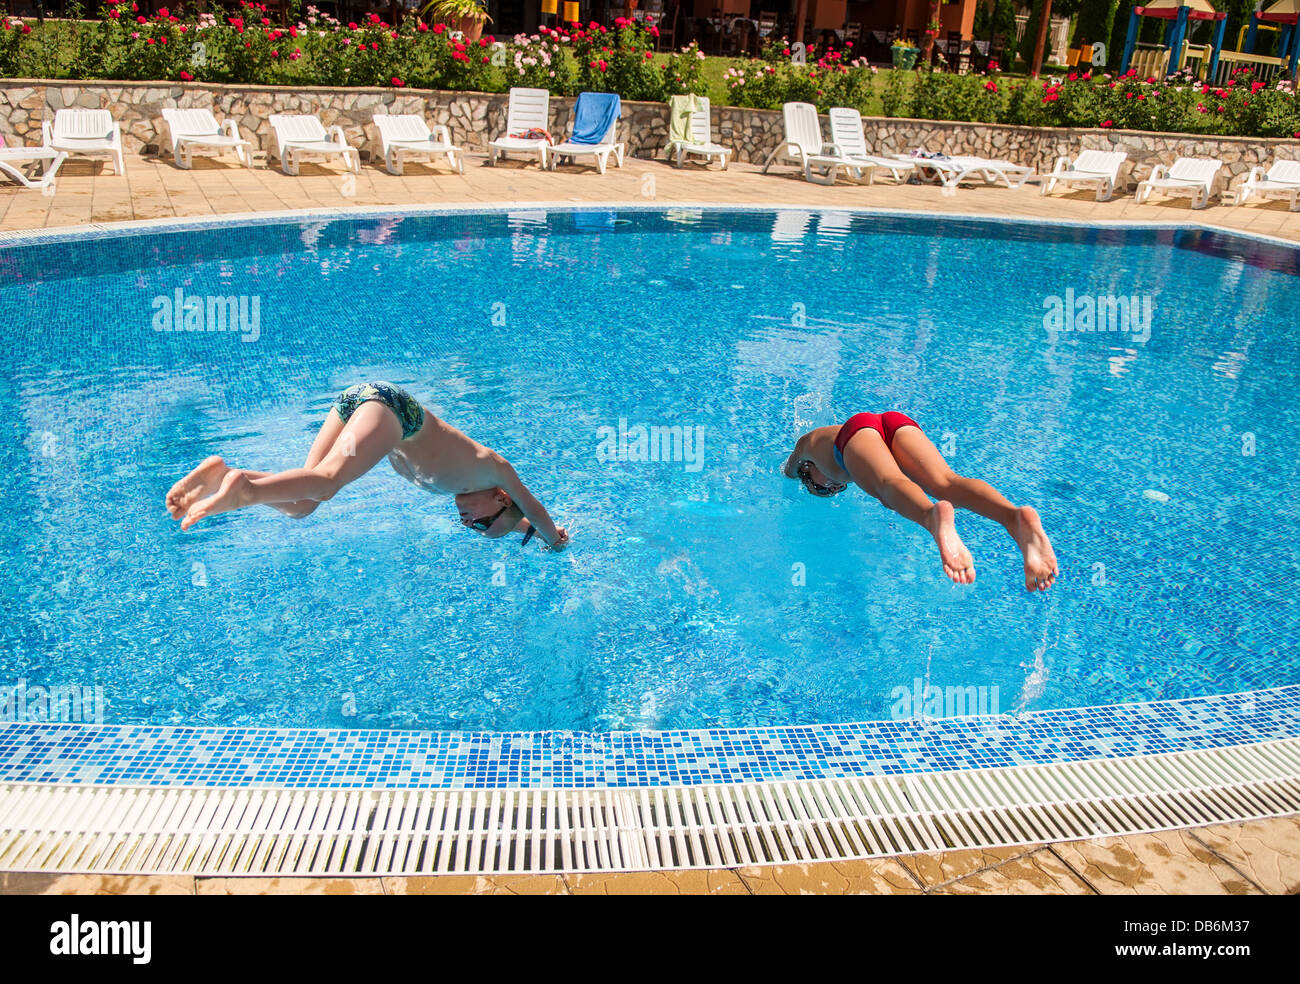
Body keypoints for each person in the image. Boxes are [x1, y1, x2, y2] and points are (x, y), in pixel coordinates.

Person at [166, 381, 569, 549]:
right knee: (325, 484)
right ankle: (242, 490)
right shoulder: (493, 468)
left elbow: (519, 519)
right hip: (392, 410)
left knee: (303, 505)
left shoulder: (469, 490)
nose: (468, 523)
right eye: (479, 523)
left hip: (363, 403)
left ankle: (221, 474)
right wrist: (555, 540)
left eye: (473, 528)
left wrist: (525, 531)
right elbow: (532, 509)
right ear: (502, 497)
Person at [784, 411, 1057, 590]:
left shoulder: (806, 450)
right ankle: (1013, 517)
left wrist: (791, 474)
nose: (832, 487)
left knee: (889, 485)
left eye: (821, 488)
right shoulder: (816, 444)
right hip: (894, 422)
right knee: (946, 482)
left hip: (854, 433)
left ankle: (931, 517)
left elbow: (788, 469)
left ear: (807, 469)